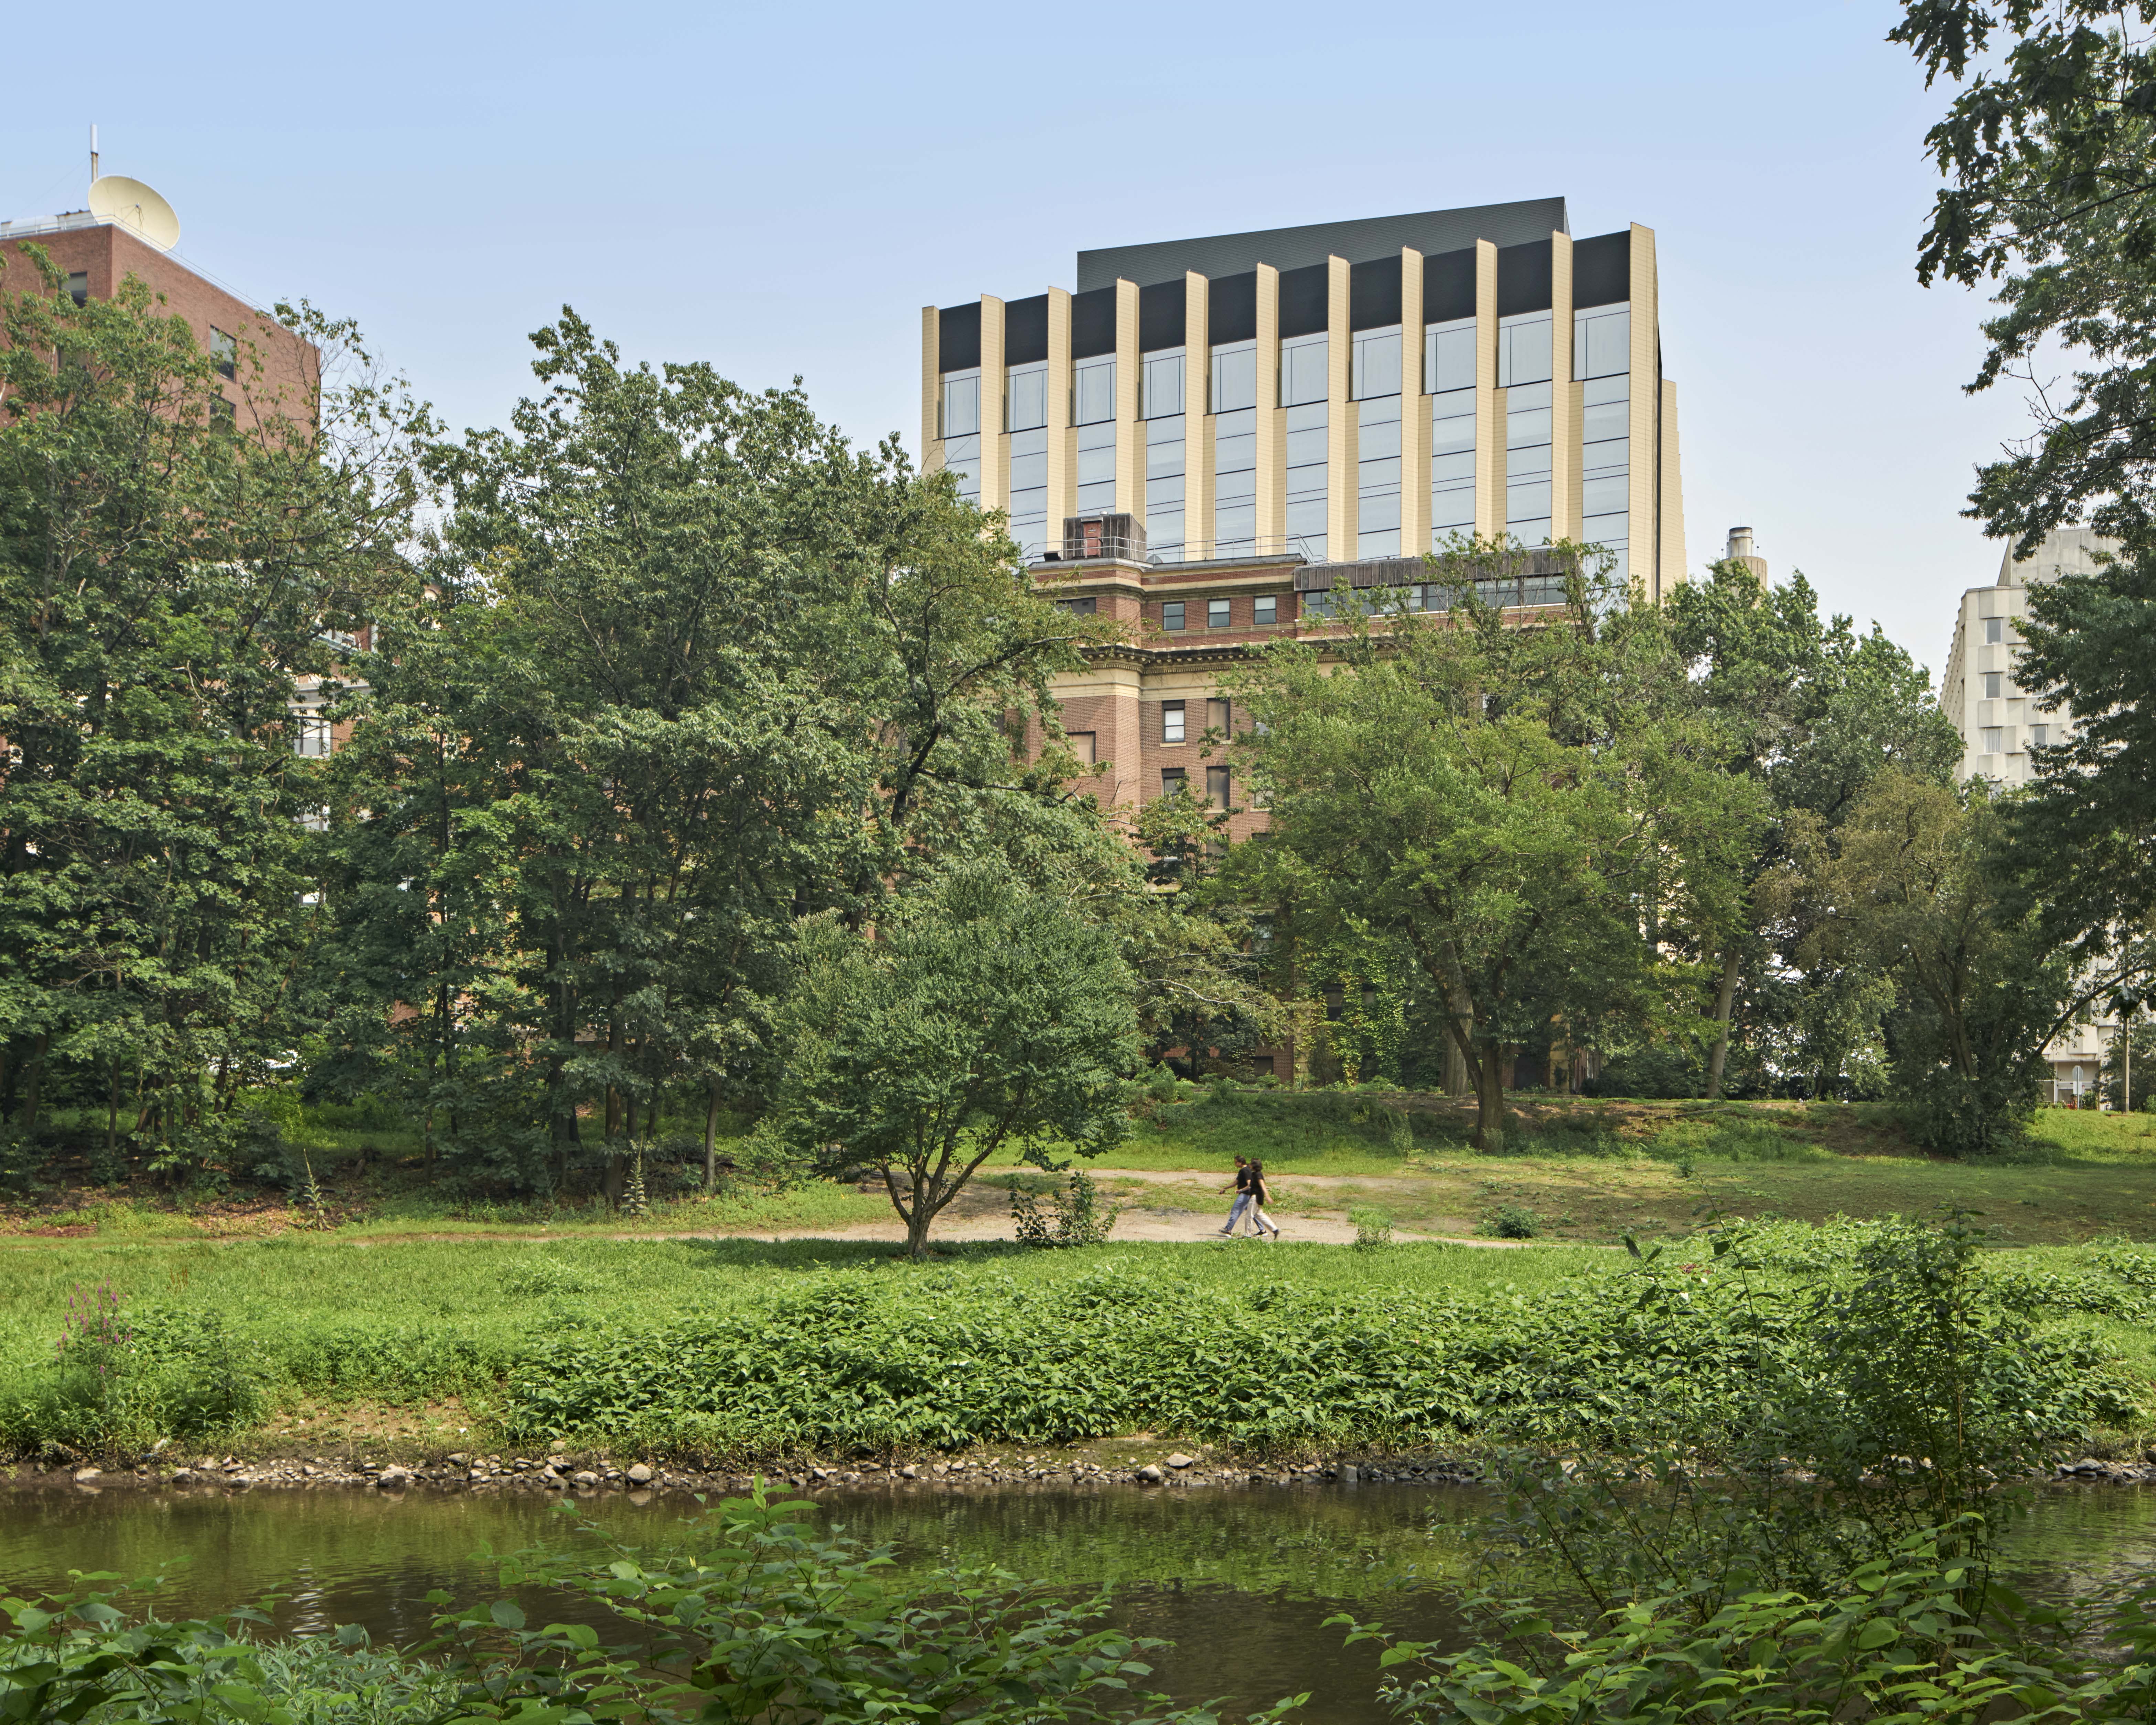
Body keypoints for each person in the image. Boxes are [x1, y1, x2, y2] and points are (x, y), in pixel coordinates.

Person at [1215, 1156, 1254, 1235]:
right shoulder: (1243, 1171)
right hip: (1249, 1196)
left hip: (1245, 1195)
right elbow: (1235, 1183)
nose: (1235, 1164)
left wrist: (1240, 1191)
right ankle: (1263, 1230)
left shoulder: (1245, 1171)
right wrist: (1225, 1188)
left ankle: (1228, 1230)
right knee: (1255, 1214)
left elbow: (1249, 1184)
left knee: (1235, 1211)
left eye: (1236, 1162)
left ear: (1240, 1163)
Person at [1246, 1160, 1283, 1240]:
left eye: (1251, 1164)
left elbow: (1263, 1186)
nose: (1250, 1165)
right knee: (1260, 1215)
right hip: (1256, 1197)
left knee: (1249, 1216)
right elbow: (1250, 1186)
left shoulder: (1258, 1175)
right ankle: (1275, 1230)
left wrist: (1268, 1197)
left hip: (1256, 1197)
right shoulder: (1254, 1174)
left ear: (1255, 1166)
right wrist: (1241, 1191)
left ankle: (1248, 1235)